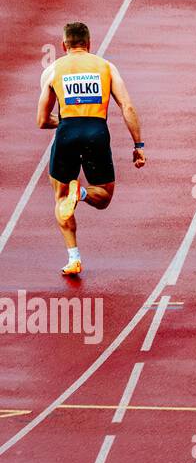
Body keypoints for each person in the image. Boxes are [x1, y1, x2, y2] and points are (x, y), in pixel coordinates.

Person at [36, 22, 147, 277]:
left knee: (61, 199)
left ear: (64, 46)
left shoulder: (52, 71)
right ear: (89, 43)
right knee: (104, 198)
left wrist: (66, 121)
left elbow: (42, 120)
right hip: (97, 132)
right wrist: (138, 145)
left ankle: (73, 257)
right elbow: (127, 107)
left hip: (66, 133)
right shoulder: (106, 67)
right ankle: (83, 192)